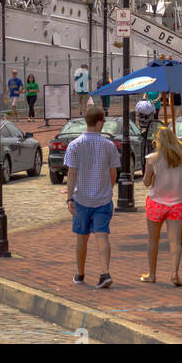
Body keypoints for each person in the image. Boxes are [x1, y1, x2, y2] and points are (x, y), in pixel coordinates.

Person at [64, 105, 119, 289]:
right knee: (102, 235)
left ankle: (79, 273)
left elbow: (72, 174)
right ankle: (105, 272)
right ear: (98, 123)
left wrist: (69, 198)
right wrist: (107, 189)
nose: (104, 123)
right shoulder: (109, 146)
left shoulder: (75, 145)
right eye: (103, 120)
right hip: (103, 199)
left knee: (82, 237)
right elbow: (113, 174)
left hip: (81, 198)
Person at [141, 127, 182, 286]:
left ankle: (152, 274)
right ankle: (175, 274)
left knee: (152, 239)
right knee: (175, 240)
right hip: (177, 203)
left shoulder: (152, 159)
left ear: (158, 141)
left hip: (156, 202)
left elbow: (146, 182)